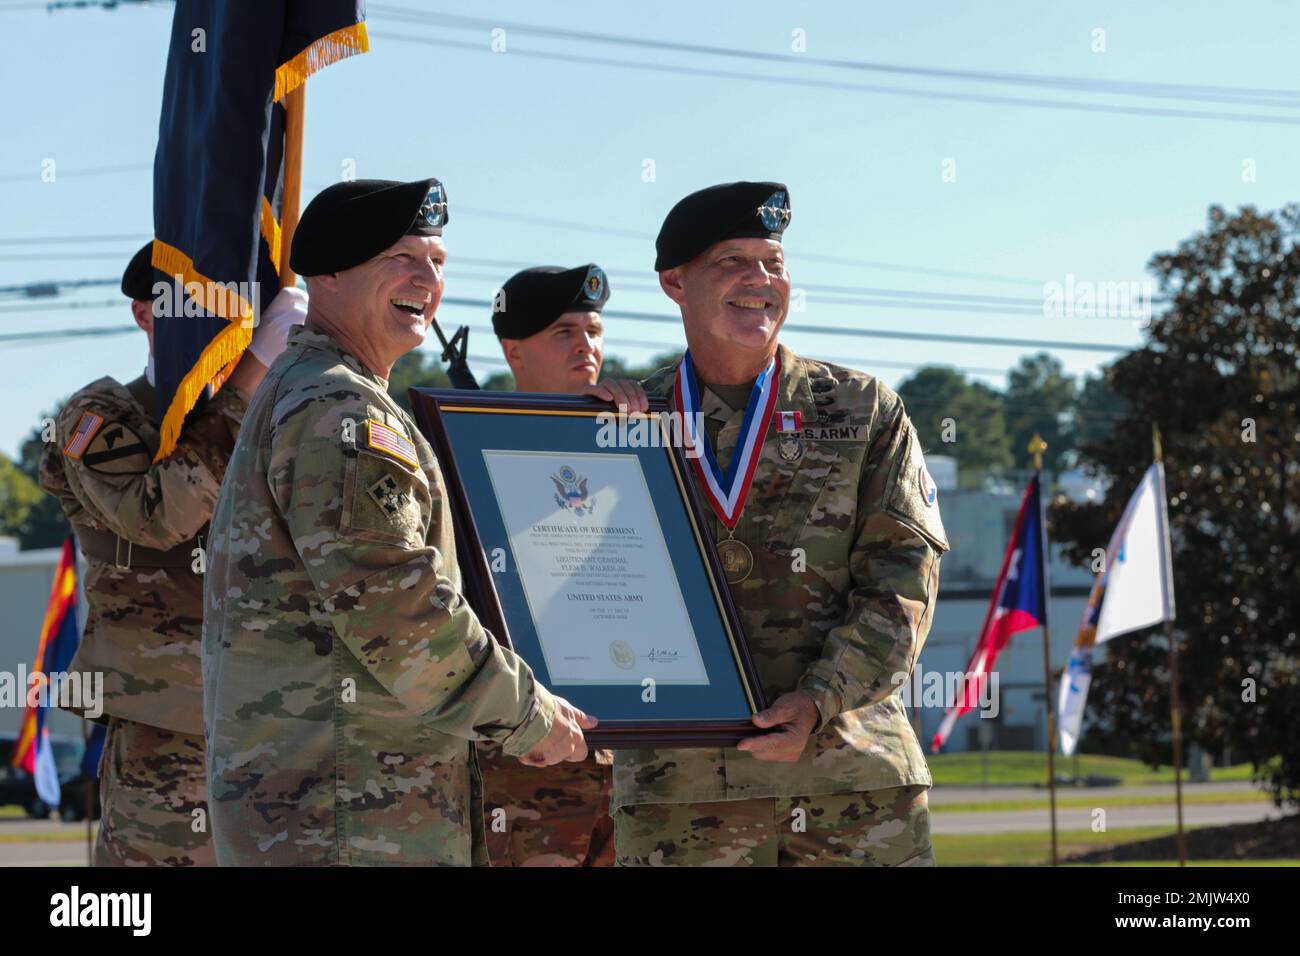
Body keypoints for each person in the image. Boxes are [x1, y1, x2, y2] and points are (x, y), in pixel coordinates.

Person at [201, 178, 594, 866]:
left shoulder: (315, 391)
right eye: (402, 258)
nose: (428, 280)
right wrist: (529, 714)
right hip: (349, 819)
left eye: (438, 262)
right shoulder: (344, 414)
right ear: (328, 273)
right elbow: (397, 607)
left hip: (336, 810)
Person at [612, 181, 950, 866]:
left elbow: (904, 583)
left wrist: (818, 700)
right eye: (732, 261)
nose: (759, 281)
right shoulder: (624, 423)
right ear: (675, 283)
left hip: (851, 790)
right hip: (682, 796)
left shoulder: (862, 412)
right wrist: (578, 442)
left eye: (773, 262)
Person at [38, 242, 303, 865]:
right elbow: (157, 516)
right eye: (200, 301)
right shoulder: (102, 414)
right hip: (171, 725)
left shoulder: (275, 416)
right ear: (145, 314)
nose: (227, 319)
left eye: (237, 305)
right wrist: (252, 379)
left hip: (279, 723)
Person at [478, 264, 645, 866]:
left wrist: (636, 439)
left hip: (629, 758)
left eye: (595, 330)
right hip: (526, 757)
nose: (587, 345)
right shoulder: (470, 451)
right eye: (564, 332)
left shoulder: (634, 442)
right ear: (512, 350)